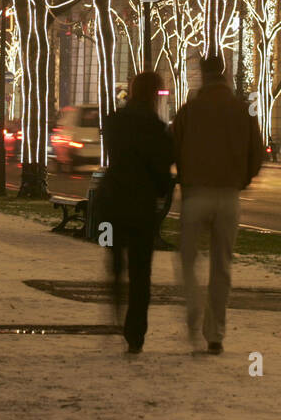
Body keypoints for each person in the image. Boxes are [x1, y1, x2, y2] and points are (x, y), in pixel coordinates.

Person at [172, 54, 264, 355]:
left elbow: (173, 147)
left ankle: (194, 307)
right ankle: (215, 332)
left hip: (195, 192)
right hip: (228, 194)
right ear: (224, 74)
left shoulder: (190, 110)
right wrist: (242, 179)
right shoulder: (242, 110)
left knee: (188, 259)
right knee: (221, 265)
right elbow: (256, 154)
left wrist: (185, 175)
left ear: (202, 74)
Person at [98, 71, 173, 355]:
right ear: (154, 94)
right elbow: (162, 167)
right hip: (141, 206)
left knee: (115, 258)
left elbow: (115, 155)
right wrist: (163, 191)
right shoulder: (156, 128)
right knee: (141, 273)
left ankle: (116, 306)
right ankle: (135, 333)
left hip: (113, 202)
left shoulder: (115, 121)